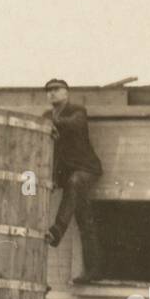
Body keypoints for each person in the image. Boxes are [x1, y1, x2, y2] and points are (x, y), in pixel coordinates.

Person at [43, 78, 104, 281]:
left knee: (75, 182)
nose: (52, 93)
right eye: (49, 90)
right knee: (85, 221)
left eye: (56, 89)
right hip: (66, 174)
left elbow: (74, 125)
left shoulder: (77, 111)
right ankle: (93, 271)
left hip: (87, 170)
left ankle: (57, 231)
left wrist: (50, 123)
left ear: (66, 93)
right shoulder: (47, 116)